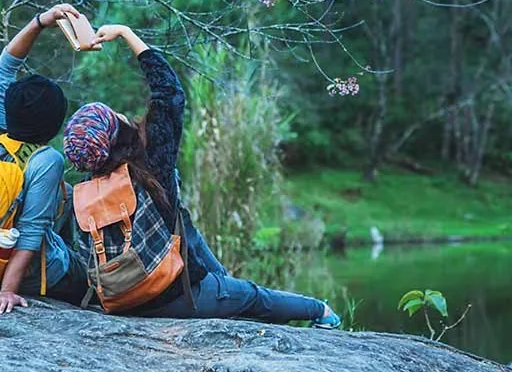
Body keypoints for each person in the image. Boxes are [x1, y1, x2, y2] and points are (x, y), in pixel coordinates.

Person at [62, 23, 341, 327]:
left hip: (124, 304)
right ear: (116, 132)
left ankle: (221, 285)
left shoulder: (84, 193)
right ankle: (321, 311)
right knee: (251, 297)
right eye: (113, 114)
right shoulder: (150, 165)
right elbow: (168, 93)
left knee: (186, 229)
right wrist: (128, 33)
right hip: (177, 297)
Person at [0, 4, 90, 313]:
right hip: (32, 275)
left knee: (66, 193)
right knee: (93, 277)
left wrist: (41, 21)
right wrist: (7, 292)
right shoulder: (46, 161)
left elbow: (3, 69)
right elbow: (31, 231)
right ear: (53, 128)